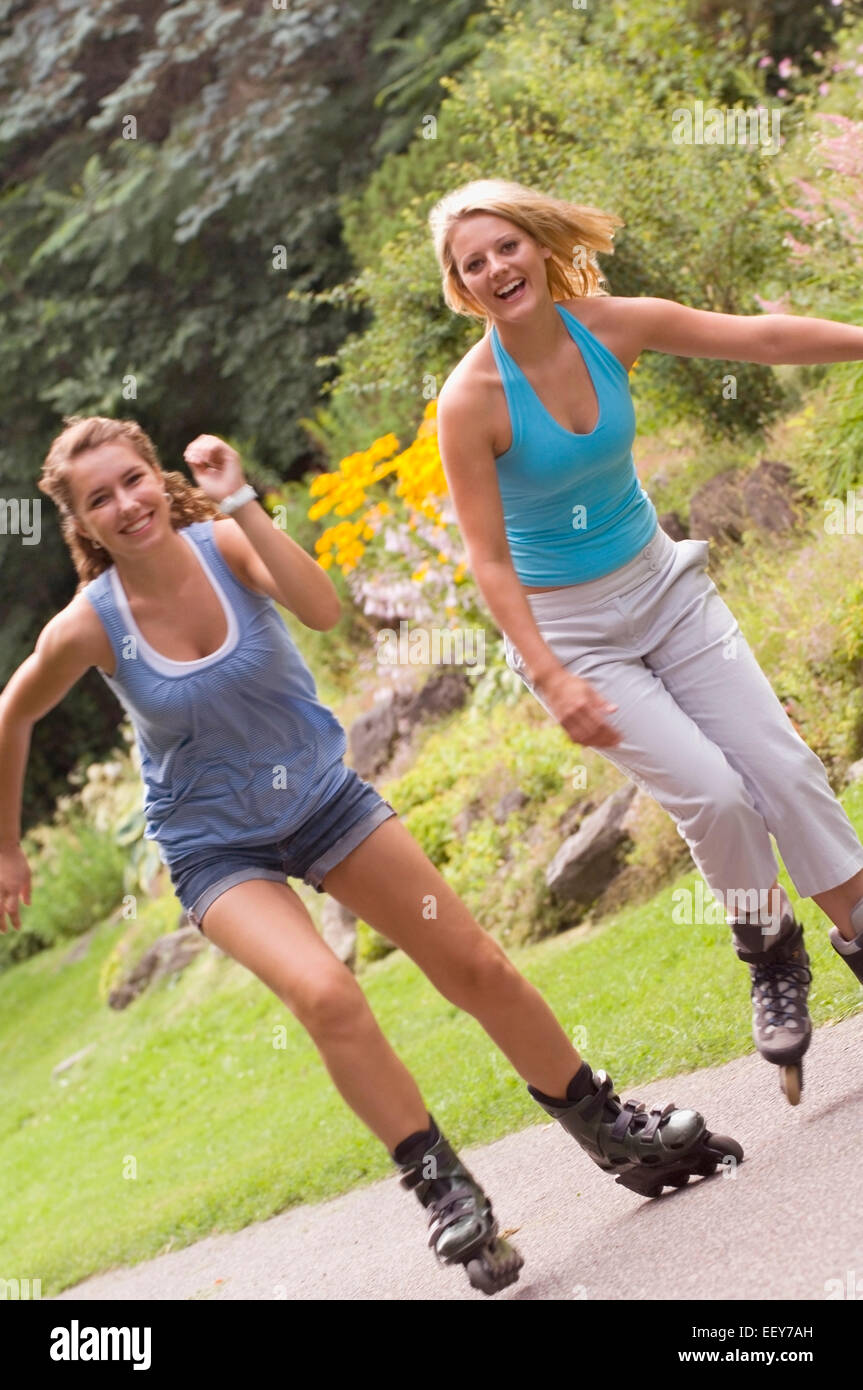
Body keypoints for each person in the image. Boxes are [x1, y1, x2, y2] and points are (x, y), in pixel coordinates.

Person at [0, 417, 744, 1296]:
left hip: (322, 800)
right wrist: (9, 848)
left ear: (157, 478)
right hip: (213, 846)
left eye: (132, 480)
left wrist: (241, 498)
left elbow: (320, 609)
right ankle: (443, 1192)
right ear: (82, 525)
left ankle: (610, 1129)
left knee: (475, 964)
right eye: (99, 500)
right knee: (324, 992)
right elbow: (13, 713)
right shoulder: (91, 626)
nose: (125, 504)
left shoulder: (228, 544)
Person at [429, 177, 863, 1109]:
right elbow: (487, 560)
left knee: (781, 767)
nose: (496, 268)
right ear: (463, 290)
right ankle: (770, 954)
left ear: (537, 247)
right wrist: (545, 675)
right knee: (713, 795)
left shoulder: (609, 324)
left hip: (662, 590)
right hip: (571, 634)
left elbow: (762, 337)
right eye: (474, 265)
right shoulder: (469, 402)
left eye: (506, 247)